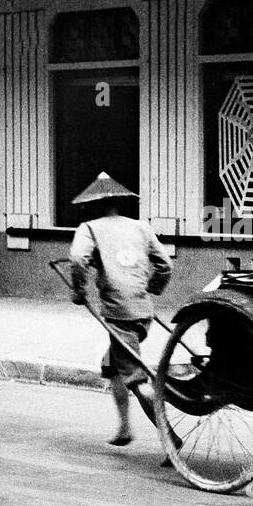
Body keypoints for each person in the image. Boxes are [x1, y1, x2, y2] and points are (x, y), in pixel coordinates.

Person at [67, 172, 172, 447]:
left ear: (93, 204)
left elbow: (78, 259)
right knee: (111, 365)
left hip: (119, 314)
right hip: (143, 311)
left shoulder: (89, 228)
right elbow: (165, 265)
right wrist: (149, 288)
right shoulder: (141, 227)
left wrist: (79, 291)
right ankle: (125, 428)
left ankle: (169, 437)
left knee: (135, 378)